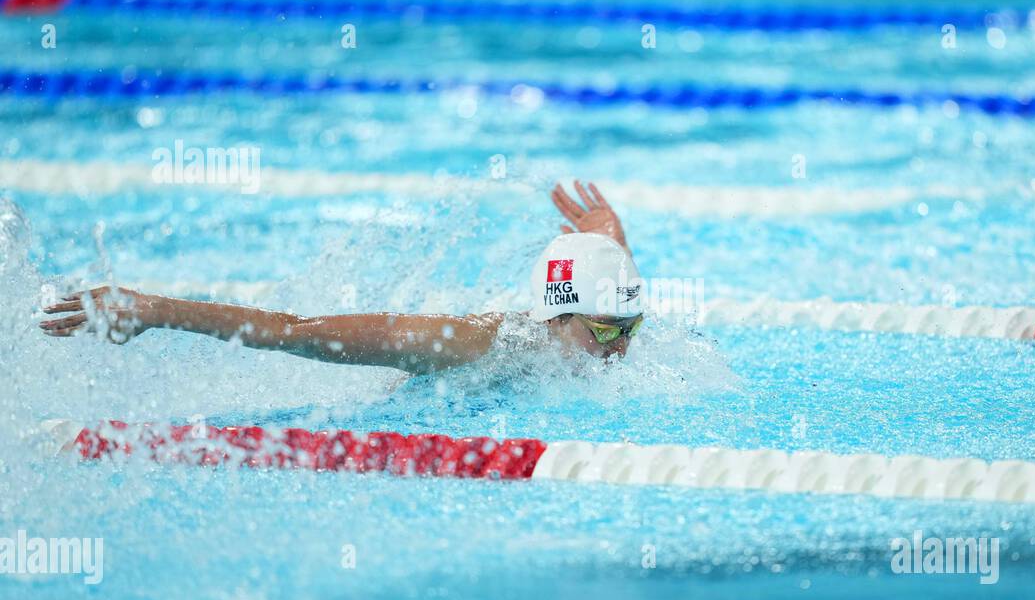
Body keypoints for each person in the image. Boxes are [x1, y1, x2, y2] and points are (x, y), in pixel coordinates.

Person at [39, 181, 643, 373]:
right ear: (556, 316)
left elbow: (611, 284)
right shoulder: (469, 346)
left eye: (630, 329)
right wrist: (154, 309)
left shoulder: (597, 308)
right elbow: (292, 330)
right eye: (607, 333)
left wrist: (608, 234)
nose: (623, 350)